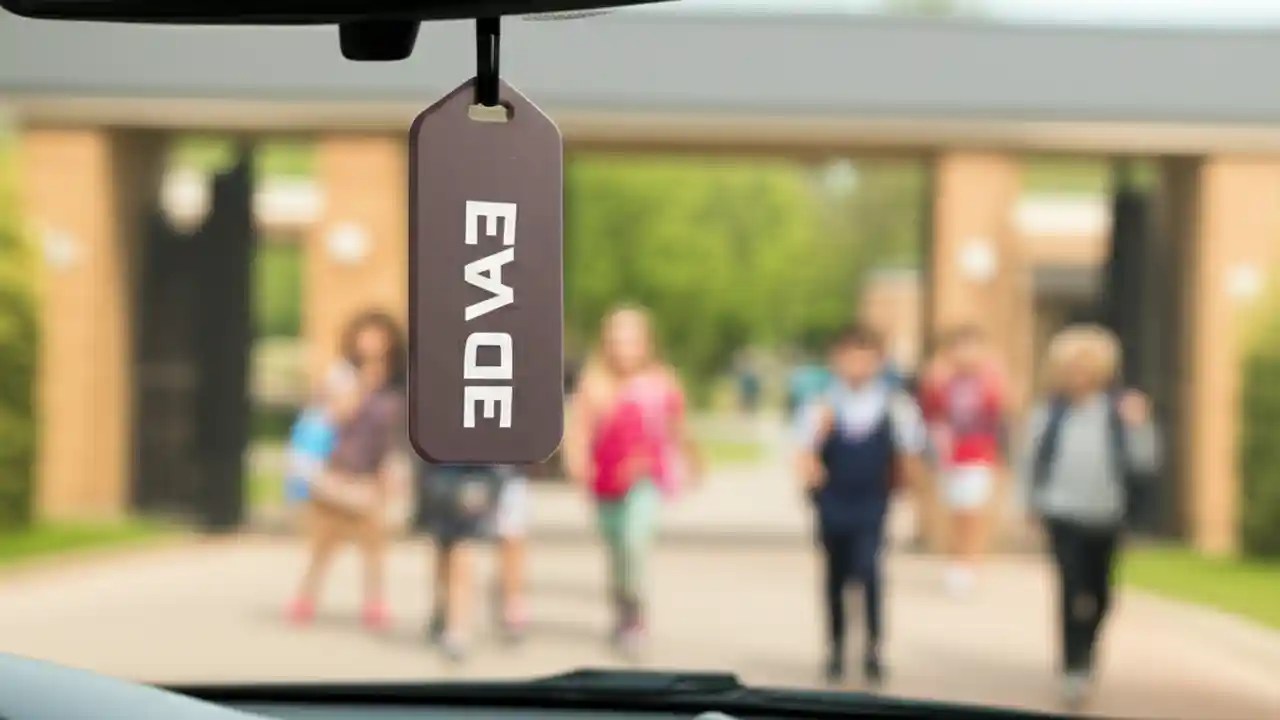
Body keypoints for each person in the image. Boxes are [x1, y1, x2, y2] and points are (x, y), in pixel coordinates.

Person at [1019, 325, 1160, 710]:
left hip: (1106, 514)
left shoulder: (1118, 412)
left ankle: (1088, 652)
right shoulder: (1050, 414)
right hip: (1061, 513)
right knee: (1069, 588)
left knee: (1100, 595)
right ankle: (1071, 665)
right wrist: (1029, 505)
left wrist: (1140, 425)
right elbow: (1028, 461)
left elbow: (1145, 461)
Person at [562, 305, 699, 658]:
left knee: (635, 542)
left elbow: (678, 426)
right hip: (606, 483)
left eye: (632, 341)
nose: (624, 350)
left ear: (646, 344)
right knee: (617, 550)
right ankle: (622, 606)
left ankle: (636, 615)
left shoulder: (660, 381)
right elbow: (579, 431)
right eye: (617, 341)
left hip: (643, 481)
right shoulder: (595, 385)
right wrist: (577, 462)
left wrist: (693, 461)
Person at [795, 324, 925, 687]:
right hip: (834, 498)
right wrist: (812, 467)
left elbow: (910, 452)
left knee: (868, 570)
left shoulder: (893, 405)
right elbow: (805, 453)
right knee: (835, 574)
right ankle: (835, 646)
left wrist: (910, 491)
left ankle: (872, 647)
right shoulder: (822, 404)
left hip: (871, 498)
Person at [286, 310, 410, 631]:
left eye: (378, 337)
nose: (371, 344)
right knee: (325, 542)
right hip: (338, 469)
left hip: (372, 473)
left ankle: (375, 602)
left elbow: (397, 431)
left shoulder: (398, 383)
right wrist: (357, 390)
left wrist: (393, 469)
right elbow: (329, 418)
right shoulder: (342, 376)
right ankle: (306, 597)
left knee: (374, 543)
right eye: (365, 336)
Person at [920, 325, 1009, 596]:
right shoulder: (943, 382)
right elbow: (929, 414)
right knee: (954, 512)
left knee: (973, 511)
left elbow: (1001, 413)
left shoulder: (989, 382)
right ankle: (956, 560)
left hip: (978, 453)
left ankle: (971, 562)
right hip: (948, 454)